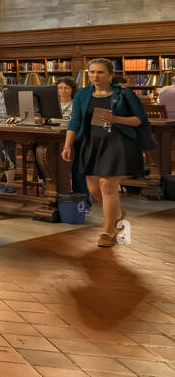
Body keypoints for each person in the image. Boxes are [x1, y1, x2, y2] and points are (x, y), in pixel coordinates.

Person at [63, 58, 151, 248]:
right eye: (92, 72)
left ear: (110, 74)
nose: (95, 76)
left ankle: (107, 231)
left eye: (100, 72)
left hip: (118, 142)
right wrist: (68, 145)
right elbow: (75, 121)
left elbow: (139, 120)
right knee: (94, 189)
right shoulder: (82, 94)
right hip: (91, 143)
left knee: (107, 186)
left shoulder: (125, 94)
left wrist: (116, 118)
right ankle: (117, 214)